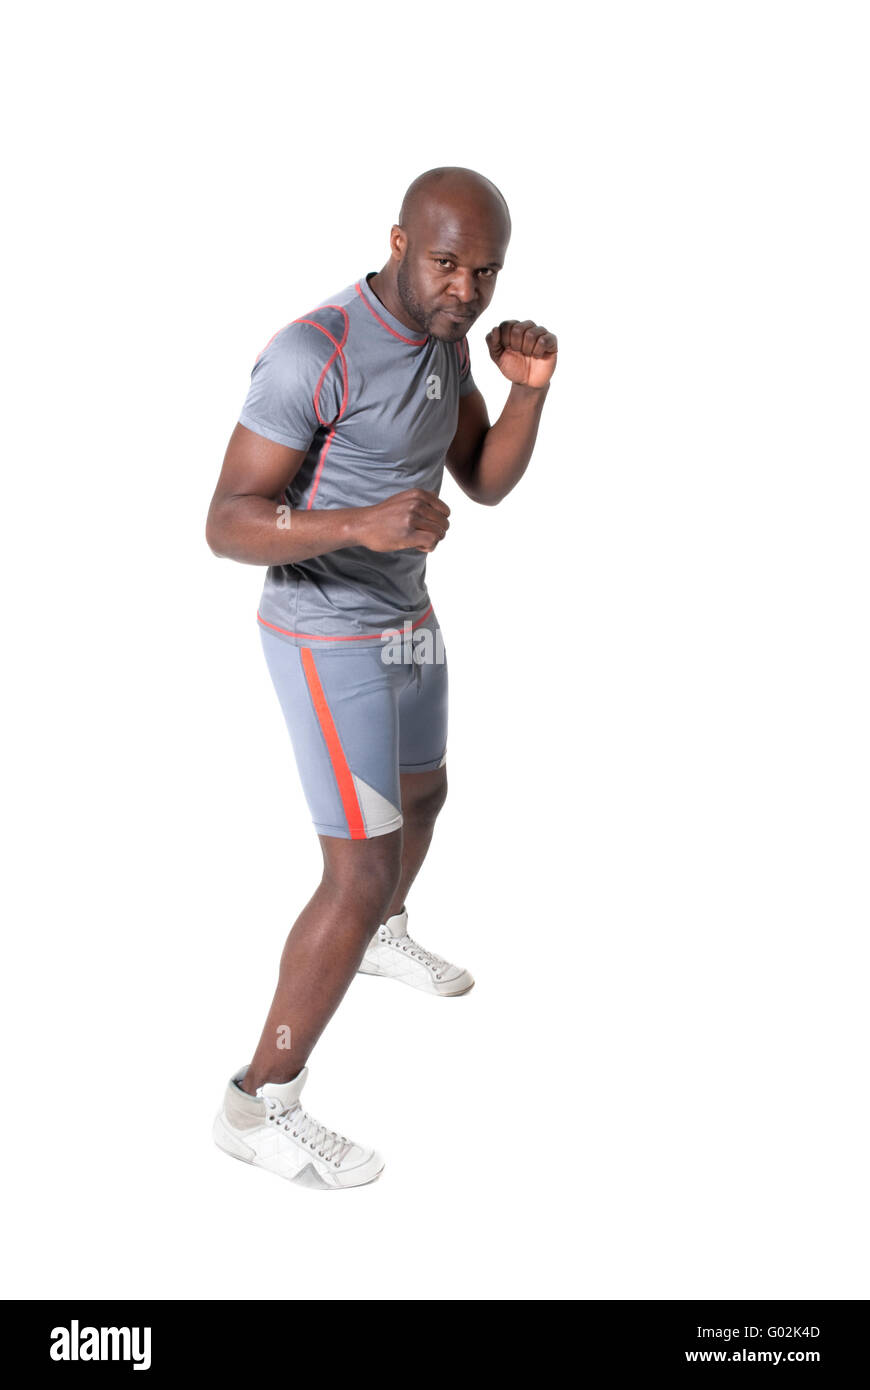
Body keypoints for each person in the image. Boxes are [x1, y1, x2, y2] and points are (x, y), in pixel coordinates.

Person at [205, 166, 557, 1190]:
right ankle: (257, 1097)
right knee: (354, 870)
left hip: (408, 618)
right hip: (326, 636)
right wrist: (360, 522)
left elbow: (482, 480)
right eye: (448, 263)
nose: (467, 289)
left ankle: (378, 934)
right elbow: (225, 519)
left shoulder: (447, 345)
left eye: (486, 272)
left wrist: (529, 393)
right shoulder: (311, 352)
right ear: (399, 241)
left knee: (426, 792)